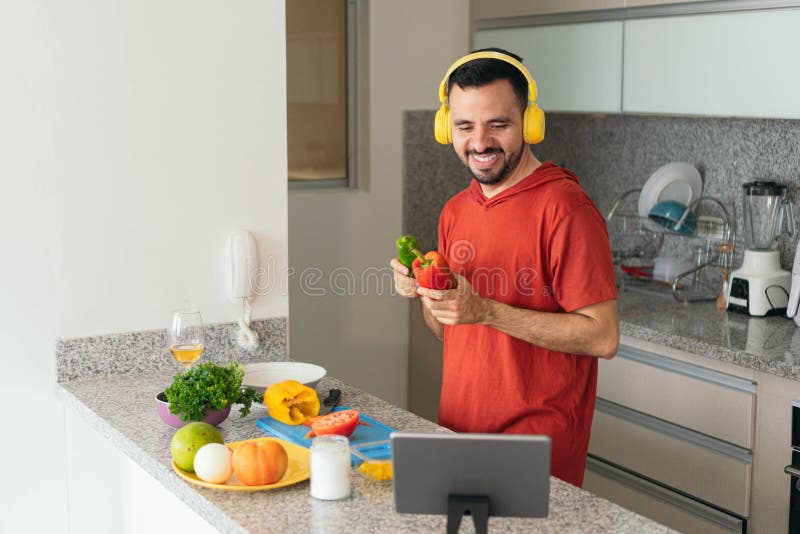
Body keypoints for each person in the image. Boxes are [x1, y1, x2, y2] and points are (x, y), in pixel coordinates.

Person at [391, 48, 619, 487]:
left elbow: (604, 336)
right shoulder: (455, 210)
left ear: (529, 123)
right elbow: (447, 330)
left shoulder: (565, 208)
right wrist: (427, 291)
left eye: (498, 124)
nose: (480, 142)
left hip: (534, 448)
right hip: (458, 431)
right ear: (446, 128)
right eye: (465, 126)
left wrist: (487, 311)